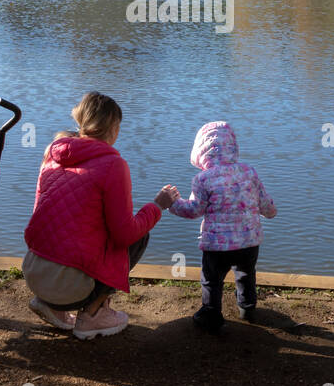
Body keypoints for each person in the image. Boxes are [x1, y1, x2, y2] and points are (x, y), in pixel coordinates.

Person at [23, 92, 180, 340]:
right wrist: (157, 206)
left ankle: (49, 304)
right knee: (138, 235)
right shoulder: (112, 165)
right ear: (114, 128)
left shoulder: (51, 155)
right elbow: (125, 234)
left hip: (34, 273)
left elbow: (38, 217)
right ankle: (93, 314)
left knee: (64, 226)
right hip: (70, 288)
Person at [168, 121, 276, 331]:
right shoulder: (249, 171)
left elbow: (193, 211)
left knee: (212, 280)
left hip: (217, 246)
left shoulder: (203, 179)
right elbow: (264, 202)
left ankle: (211, 314)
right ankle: (247, 307)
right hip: (249, 242)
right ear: (233, 146)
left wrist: (173, 203)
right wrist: (271, 212)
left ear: (200, 151)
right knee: (246, 274)